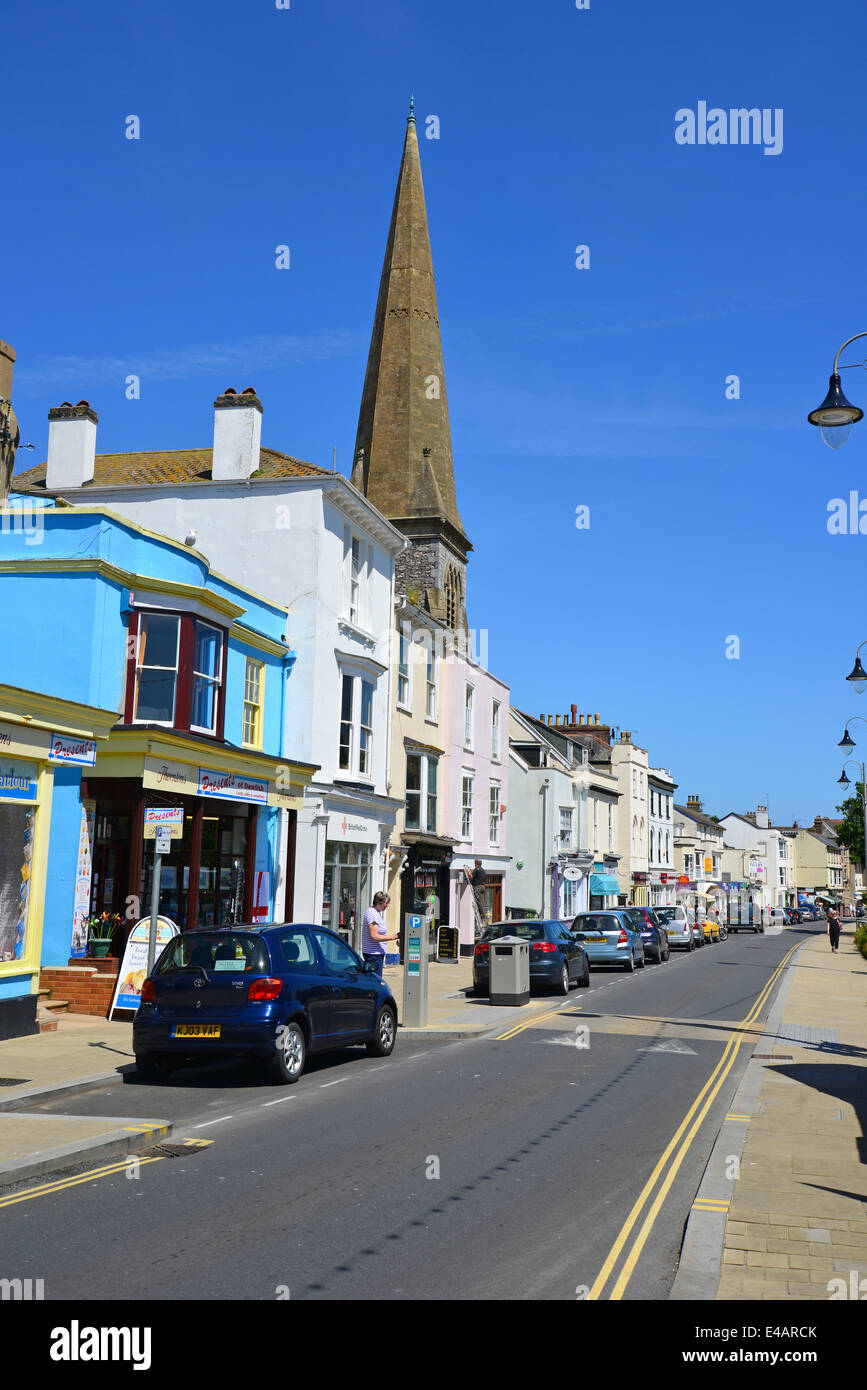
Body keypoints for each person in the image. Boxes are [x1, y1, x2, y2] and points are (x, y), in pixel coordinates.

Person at [361, 892, 398, 976]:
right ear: (380, 903)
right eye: (387, 903)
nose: (387, 905)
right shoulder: (373, 914)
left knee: (374, 981)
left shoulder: (375, 913)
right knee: (375, 982)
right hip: (373, 955)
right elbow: (374, 936)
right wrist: (393, 937)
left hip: (375, 954)